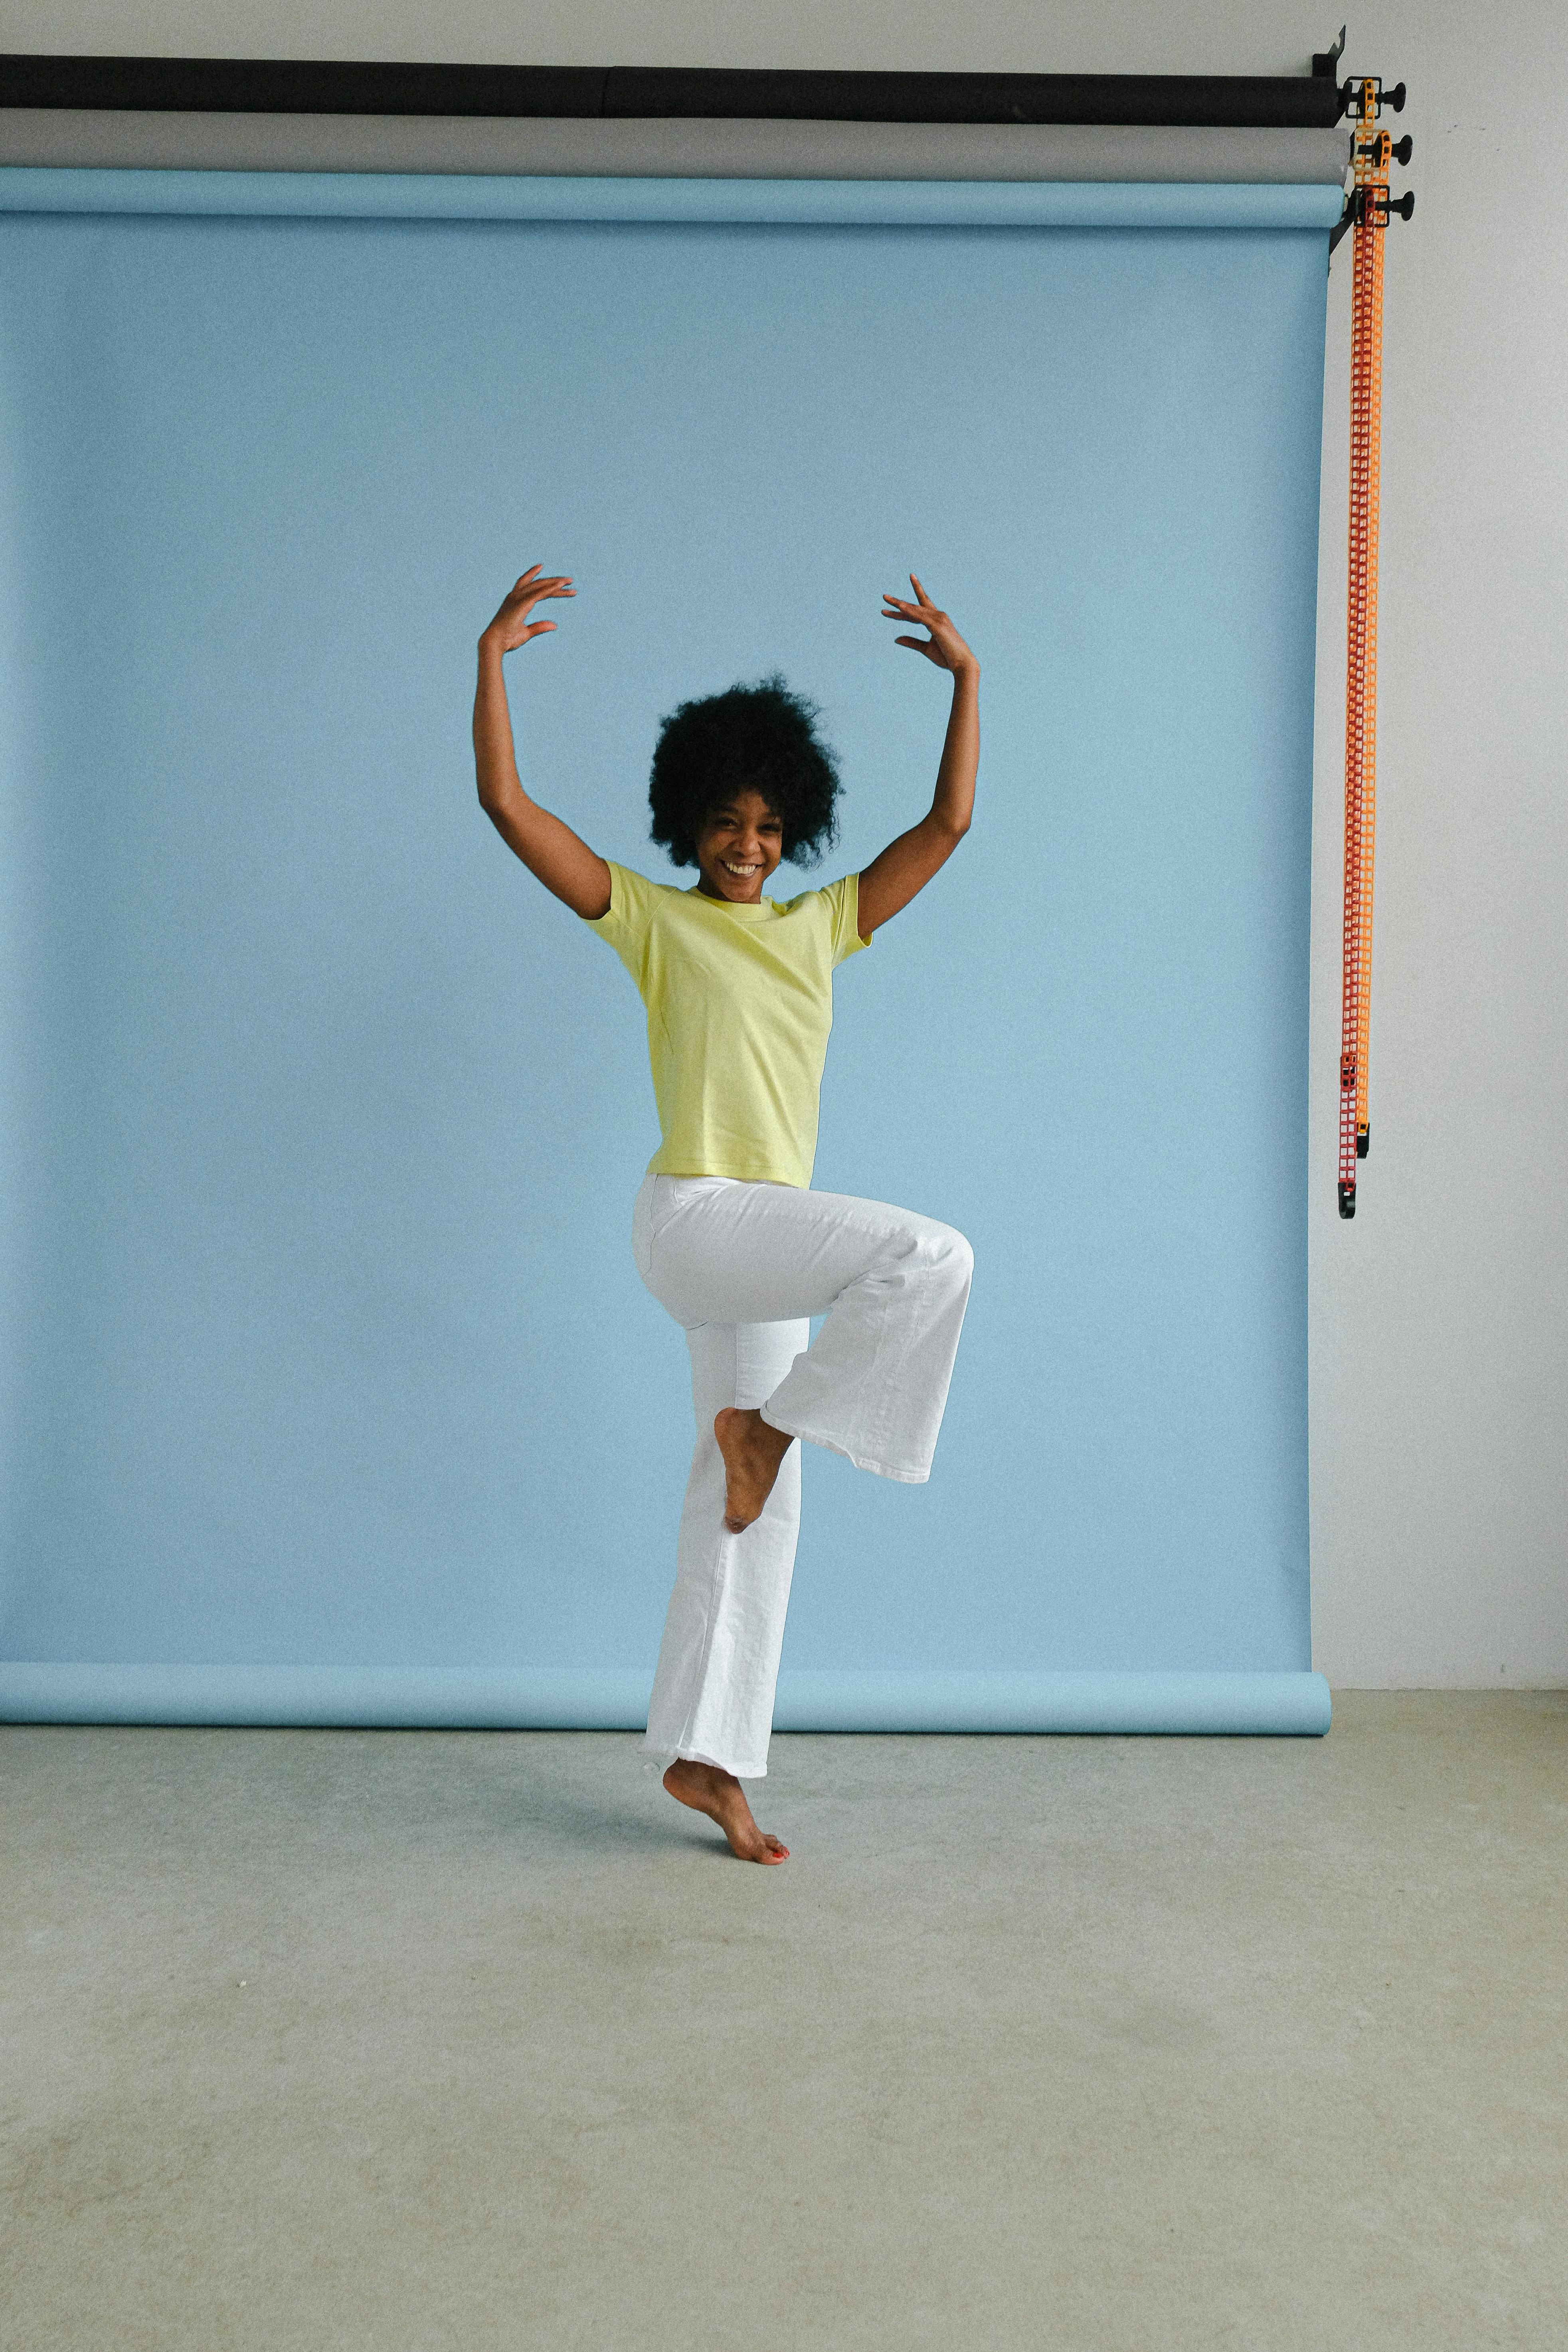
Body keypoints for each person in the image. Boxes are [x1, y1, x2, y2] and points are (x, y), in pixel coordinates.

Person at [473, 564, 979, 1863]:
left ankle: (711, 1761)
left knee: (750, 1502)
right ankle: (769, 1426)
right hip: (697, 1221)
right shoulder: (648, 923)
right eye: (721, 824)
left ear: (792, 828)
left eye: (765, 826)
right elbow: (508, 804)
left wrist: (968, 684)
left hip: (763, 1245)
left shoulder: (821, 932)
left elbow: (945, 828)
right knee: (928, 1255)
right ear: (684, 826)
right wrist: (490, 663)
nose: (744, 845)